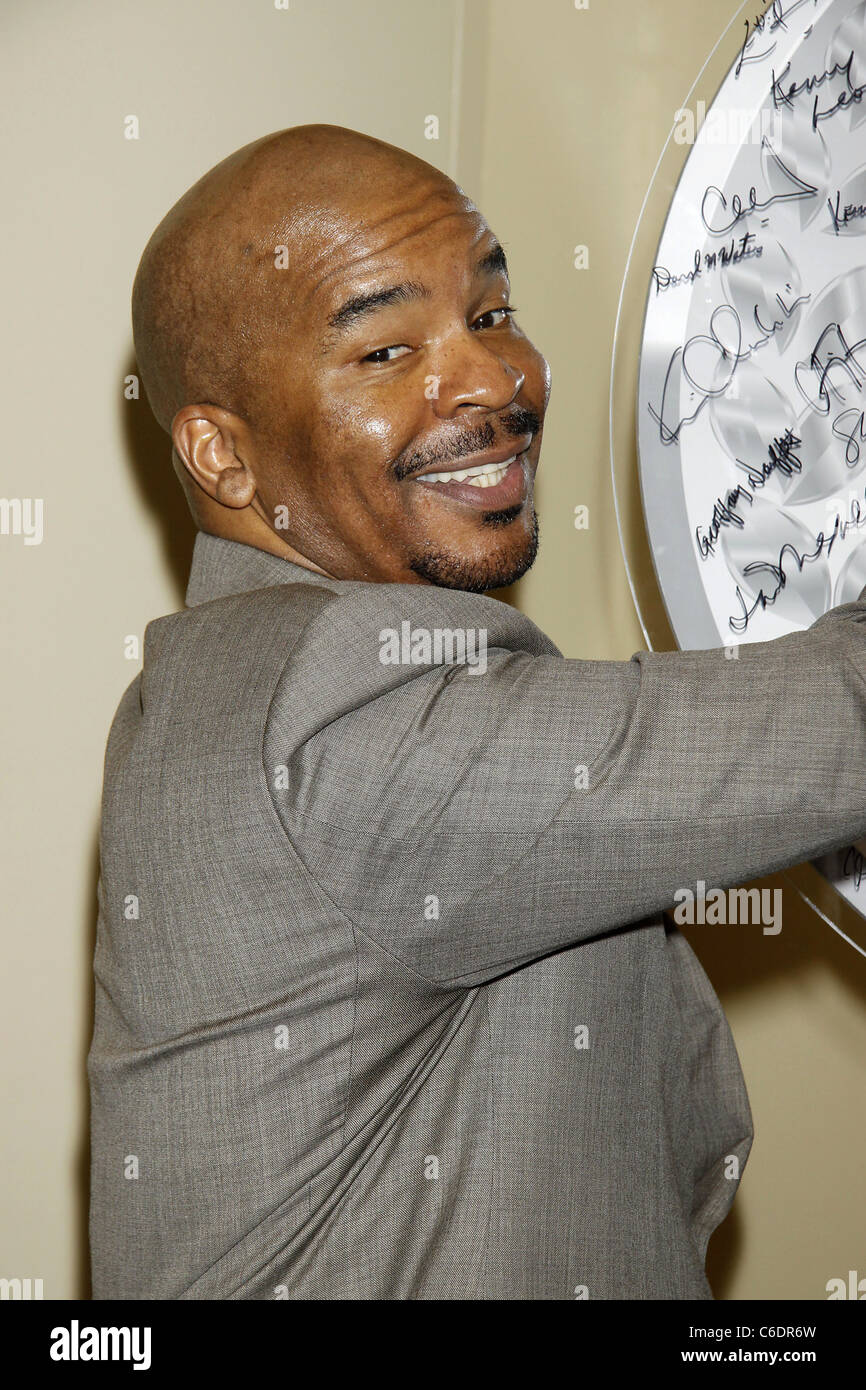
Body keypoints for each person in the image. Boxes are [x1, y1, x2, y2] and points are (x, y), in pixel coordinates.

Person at [88, 124, 866, 1299]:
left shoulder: (218, 687)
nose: (496, 381)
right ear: (223, 457)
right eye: (387, 347)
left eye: (492, 316)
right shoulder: (326, 702)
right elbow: (831, 725)